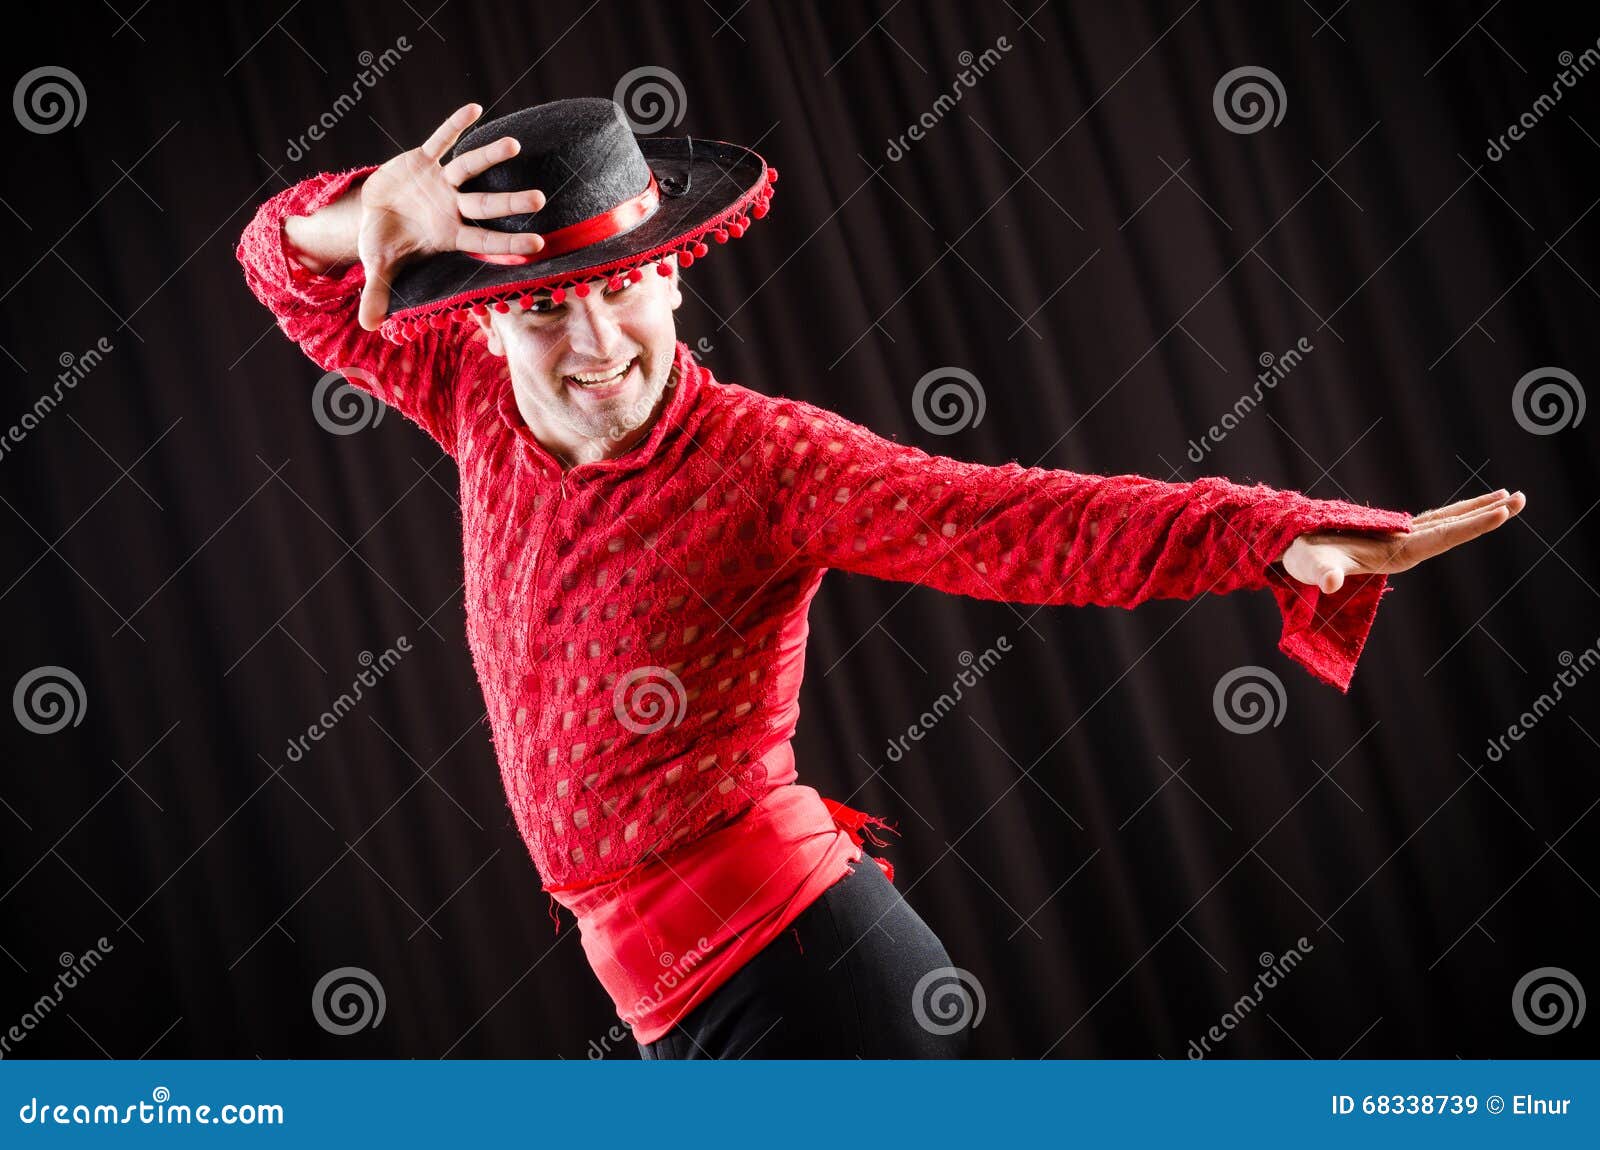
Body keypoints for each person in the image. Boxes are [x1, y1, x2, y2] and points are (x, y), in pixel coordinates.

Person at [236, 97, 1526, 1059]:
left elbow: (1010, 524)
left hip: (811, 985)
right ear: (480, 316)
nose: (594, 341)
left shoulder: (764, 462)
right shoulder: (470, 398)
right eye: (542, 305)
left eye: (621, 285)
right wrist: (366, 215)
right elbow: (285, 271)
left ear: (674, 272)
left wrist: (1267, 534)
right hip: (680, 1012)